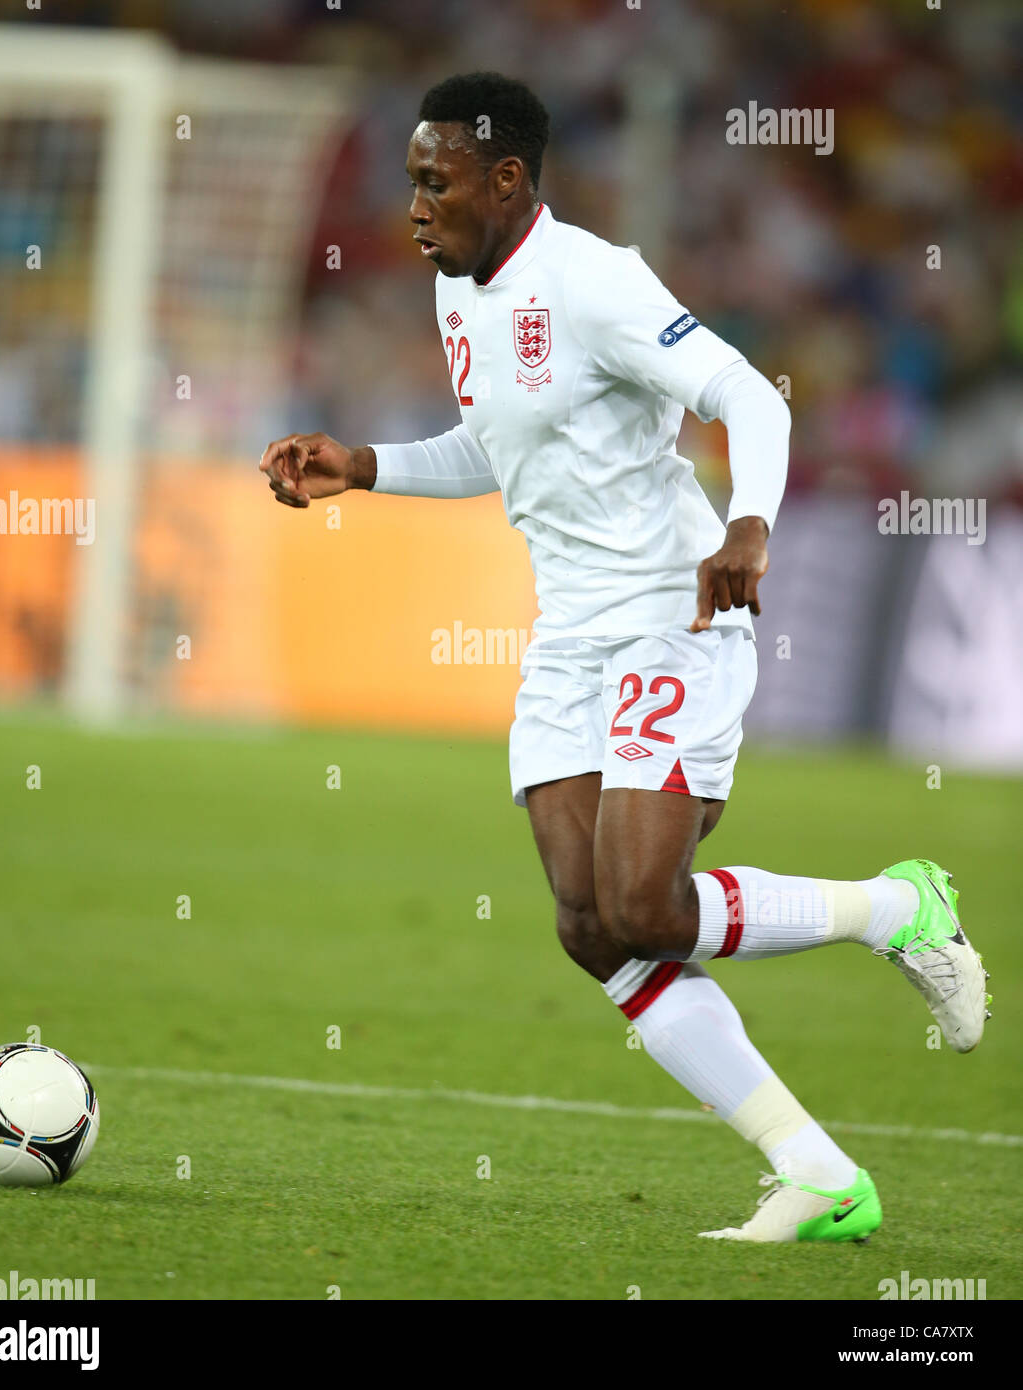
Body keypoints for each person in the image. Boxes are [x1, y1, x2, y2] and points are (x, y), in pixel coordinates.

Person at [259, 72, 990, 1242]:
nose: (414, 206)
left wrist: (750, 523)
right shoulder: (461, 294)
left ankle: (893, 907)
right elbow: (496, 450)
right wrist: (363, 466)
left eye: (434, 181)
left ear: (505, 180)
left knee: (644, 905)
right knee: (588, 923)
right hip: (568, 633)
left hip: (673, 611)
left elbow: (751, 397)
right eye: (410, 182)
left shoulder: (595, 281)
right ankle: (815, 1172)